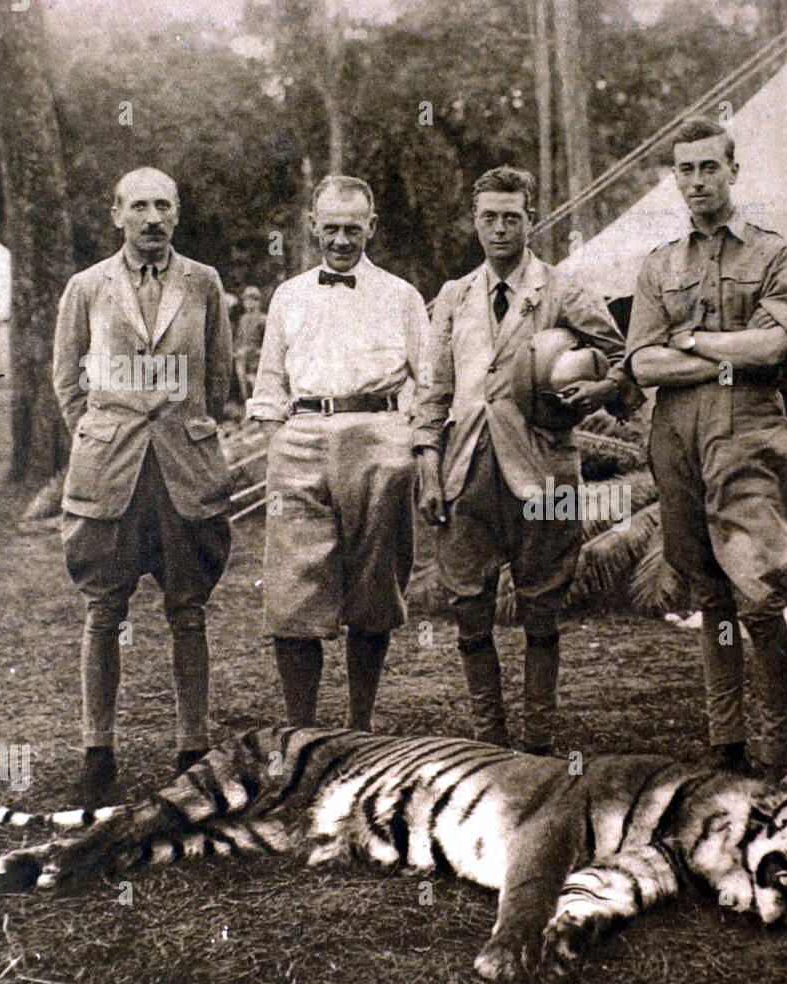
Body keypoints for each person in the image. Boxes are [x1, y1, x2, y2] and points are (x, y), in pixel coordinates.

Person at [413, 166, 642, 753]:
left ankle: (537, 743)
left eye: (511, 217)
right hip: (466, 470)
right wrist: (428, 467)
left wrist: (595, 386)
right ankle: (489, 739)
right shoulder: (454, 296)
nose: (499, 229)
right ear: (475, 221)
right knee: (470, 609)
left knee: (542, 611)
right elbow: (434, 393)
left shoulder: (563, 289)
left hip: (543, 472)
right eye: (488, 217)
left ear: (530, 220)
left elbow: (624, 360)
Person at [625, 117, 787, 776]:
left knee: (759, 598)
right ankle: (726, 744)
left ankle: (780, 753)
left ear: (734, 169)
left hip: (748, 439)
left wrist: (693, 342)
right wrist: (725, 352)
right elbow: (642, 364)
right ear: (676, 178)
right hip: (676, 440)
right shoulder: (659, 264)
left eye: (709, 167)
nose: (698, 180)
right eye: (686, 169)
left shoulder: (774, 254)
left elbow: (773, 346)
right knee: (710, 598)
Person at [51, 166, 234, 805]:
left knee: (188, 610)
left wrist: (182, 431)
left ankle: (192, 747)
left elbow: (218, 377)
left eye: (163, 205)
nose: (151, 218)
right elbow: (68, 382)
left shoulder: (204, 283)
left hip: (184, 470)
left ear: (177, 214)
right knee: (104, 611)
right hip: (112, 474)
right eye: (139, 206)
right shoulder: (86, 287)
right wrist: (103, 434)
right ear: (116, 214)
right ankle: (97, 752)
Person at [247, 176, 428, 732]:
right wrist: (271, 438)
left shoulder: (401, 296)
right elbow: (270, 378)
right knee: (292, 594)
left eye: (354, 229)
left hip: (378, 437)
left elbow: (428, 381)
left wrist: (410, 446)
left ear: (371, 228)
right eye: (332, 229)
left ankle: (358, 728)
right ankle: (301, 730)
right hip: (301, 437)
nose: (343, 240)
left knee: (373, 592)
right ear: (313, 227)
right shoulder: (289, 296)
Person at [232, 285, 267, 403]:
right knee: (243, 382)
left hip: (256, 356)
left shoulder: (263, 319)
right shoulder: (243, 319)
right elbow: (239, 338)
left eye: (252, 299)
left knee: (255, 382)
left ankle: (258, 409)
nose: (248, 303)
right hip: (243, 356)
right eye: (246, 300)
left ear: (257, 301)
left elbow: (267, 339)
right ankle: (247, 409)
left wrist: (260, 351)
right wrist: (236, 350)